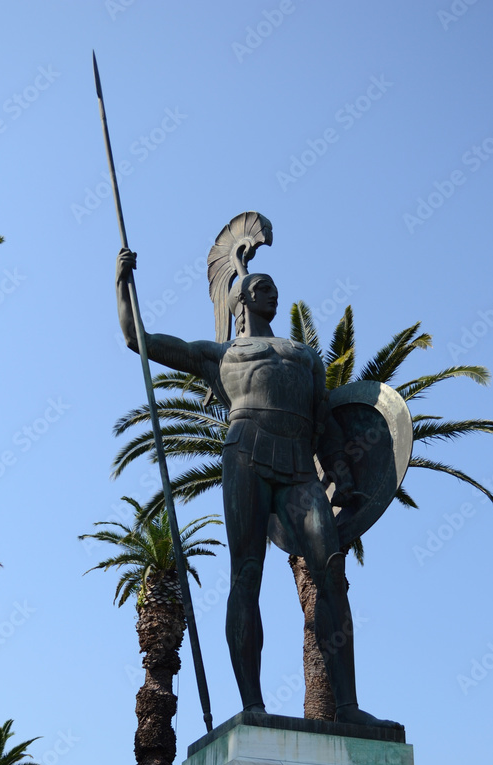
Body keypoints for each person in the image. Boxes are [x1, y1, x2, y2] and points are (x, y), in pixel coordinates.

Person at [116, 248, 400, 729]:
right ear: (241, 299)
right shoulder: (219, 354)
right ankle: (253, 705)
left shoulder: (305, 356)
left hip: (298, 469)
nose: (271, 290)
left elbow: (325, 421)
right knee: (247, 575)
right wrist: (123, 285)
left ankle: (348, 706)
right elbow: (137, 340)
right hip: (245, 454)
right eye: (261, 285)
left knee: (330, 571)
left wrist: (344, 477)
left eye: (272, 285)